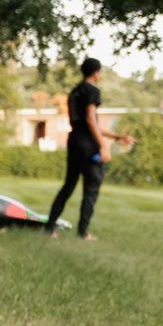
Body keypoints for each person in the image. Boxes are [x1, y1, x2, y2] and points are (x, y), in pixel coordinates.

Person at [44, 57, 135, 241]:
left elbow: (89, 123)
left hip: (74, 141)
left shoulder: (75, 91)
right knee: (92, 187)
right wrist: (103, 146)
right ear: (96, 73)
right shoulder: (92, 90)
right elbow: (91, 120)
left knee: (68, 185)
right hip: (88, 145)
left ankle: (50, 228)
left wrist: (116, 137)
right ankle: (83, 232)